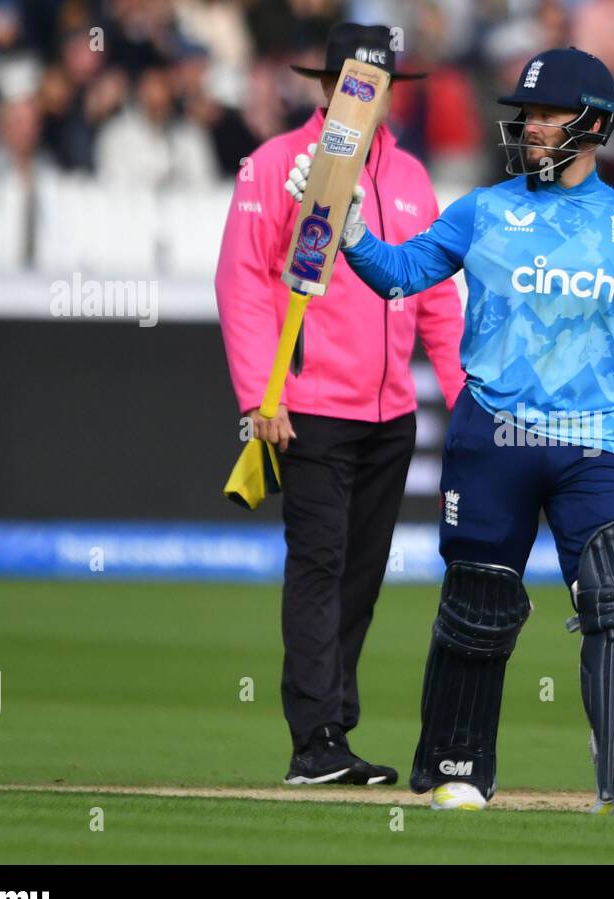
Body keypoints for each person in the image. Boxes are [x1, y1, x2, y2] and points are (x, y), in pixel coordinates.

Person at [285, 46, 614, 814]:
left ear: (596, 124)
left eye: (548, 114)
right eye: (528, 114)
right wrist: (346, 232)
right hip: (493, 436)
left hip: (592, 442)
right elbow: (403, 274)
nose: (532, 127)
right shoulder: (484, 209)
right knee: (478, 602)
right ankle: (458, 768)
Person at [216, 23, 465, 786]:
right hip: (312, 407)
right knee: (320, 569)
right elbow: (243, 283)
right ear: (325, 88)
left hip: (391, 415)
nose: (368, 96)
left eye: (380, 84)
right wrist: (264, 394)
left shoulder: (414, 178)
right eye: (356, 81)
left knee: (360, 574)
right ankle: (314, 738)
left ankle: (331, 732)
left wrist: (465, 399)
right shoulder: (276, 165)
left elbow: (434, 300)